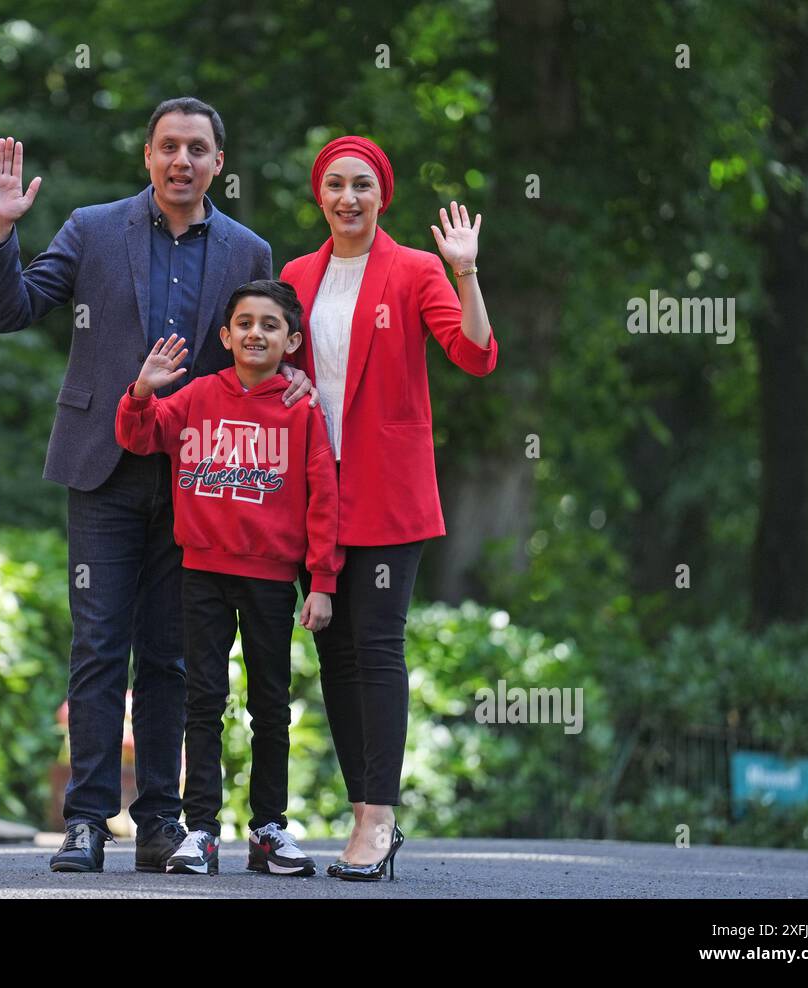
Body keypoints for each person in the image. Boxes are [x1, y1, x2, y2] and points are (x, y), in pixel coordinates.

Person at [0, 97, 315, 873]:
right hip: (102, 465)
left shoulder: (247, 248)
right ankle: (88, 820)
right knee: (98, 644)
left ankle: (161, 822)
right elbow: (13, 311)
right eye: (169, 146)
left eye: (197, 149)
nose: (181, 161)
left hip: (202, 479)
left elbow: (264, 347)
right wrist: (0, 234)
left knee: (172, 656)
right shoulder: (94, 229)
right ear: (148, 155)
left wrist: (296, 384)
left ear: (218, 164)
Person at [280, 135, 499, 881]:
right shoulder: (296, 275)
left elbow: (474, 353)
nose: (349, 197)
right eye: (336, 184)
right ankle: (360, 808)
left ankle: (379, 817)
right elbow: (280, 368)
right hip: (314, 490)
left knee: (376, 648)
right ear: (321, 195)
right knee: (333, 653)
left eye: (362, 186)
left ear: (382, 196)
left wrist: (466, 272)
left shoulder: (414, 269)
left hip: (389, 491)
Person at [114, 281, 343, 876]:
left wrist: (321, 581)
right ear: (225, 335)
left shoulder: (301, 406)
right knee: (203, 703)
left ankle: (269, 831)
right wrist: (142, 389)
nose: (255, 333)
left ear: (292, 341)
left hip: (271, 579)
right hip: (203, 574)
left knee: (271, 707)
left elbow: (324, 497)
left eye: (270, 325)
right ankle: (203, 832)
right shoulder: (196, 397)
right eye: (244, 323)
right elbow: (139, 434)